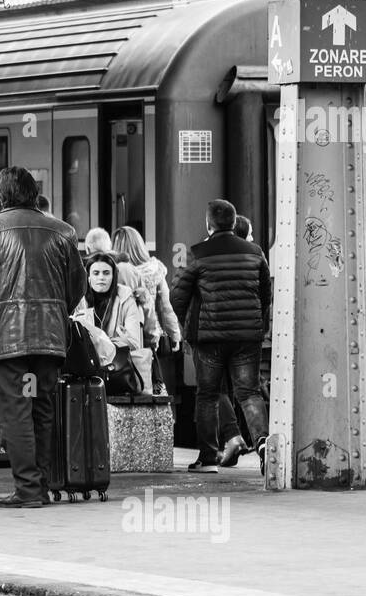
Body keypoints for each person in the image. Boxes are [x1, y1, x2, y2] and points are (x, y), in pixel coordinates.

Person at [0, 166, 85, 508]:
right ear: (34, 192)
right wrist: (57, 311)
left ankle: (28, 490)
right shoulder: (64, 231)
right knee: (42, 410)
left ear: (0, 194)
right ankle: (40, 486)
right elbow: (76, 286)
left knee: (15, 413)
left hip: (5, 341)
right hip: (49, 339)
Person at [170, 199, 271, 474]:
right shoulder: (255, 251)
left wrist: (187, 323)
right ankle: (263, 444)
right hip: (247, 336)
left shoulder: (198, 253)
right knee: (249, 392)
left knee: (208, 395)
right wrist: (256, 323)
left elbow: (177, 295)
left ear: (208, 224)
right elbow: (265, 293)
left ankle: (207, 458)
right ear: (233, 221)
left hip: (210, 337)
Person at [111, 226, 181, 394]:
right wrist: (175, 335)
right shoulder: (154, 270)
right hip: (150, 336)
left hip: (120, 336)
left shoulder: (114, 271)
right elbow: (166, 306)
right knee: (152, 382)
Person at [73, 252, 146, 366]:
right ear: (88, 277)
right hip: (87, 367)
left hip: (118, 367)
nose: (101, 277)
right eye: (96, 273)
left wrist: (100, 345)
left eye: (106, 273)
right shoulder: (78, 301)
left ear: (113, 276)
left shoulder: (126, 300)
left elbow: (134, 342)